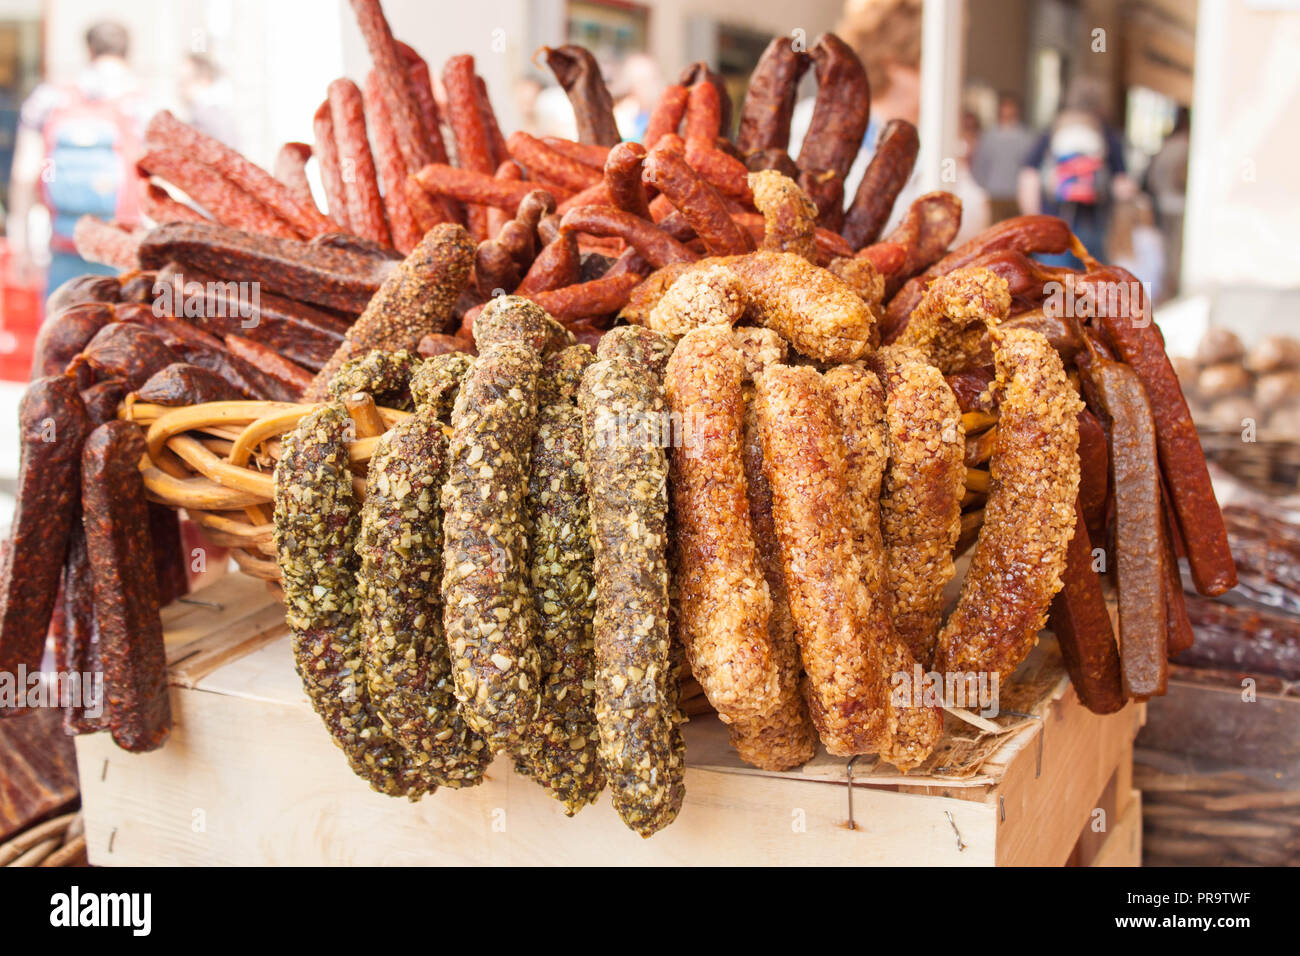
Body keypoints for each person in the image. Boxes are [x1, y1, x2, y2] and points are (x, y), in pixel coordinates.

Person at [790, 0, 989, 241]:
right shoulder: (809, 122)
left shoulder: (936, 135)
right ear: (893, 64)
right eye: (924, 67)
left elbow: (974, 211)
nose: (945, 82)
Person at [6, 21, 150, 295]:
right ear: (128, 53)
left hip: (63, 244)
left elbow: (24, 175)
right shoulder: (140, 105)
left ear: (88, 51)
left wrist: (22, 246)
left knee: (61, 331)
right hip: (122, 250)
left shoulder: (50, 99)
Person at [1017, 76, 1136, 266]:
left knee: (1051, 284)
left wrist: (1033, 219)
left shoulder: (1052, 132)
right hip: (1094, 222)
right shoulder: (1108, 136)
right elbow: (1123, 186)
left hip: (1053, 221)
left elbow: (1029, 177)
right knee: (1091, 285)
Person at [972, 92, 1037, 222]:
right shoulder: (989, 137)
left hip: (1018, 194)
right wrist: (983, 188)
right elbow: (980, 164)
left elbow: (1030, 168)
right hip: (994, 194)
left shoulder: (1026, 138)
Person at [1146, 107, 1190, 297]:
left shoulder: (1167, 146)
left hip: (1164, 202)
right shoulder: (1188, 145)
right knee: (1177, 251)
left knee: (1165, 249)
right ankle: (1173, 288)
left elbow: (1152, 175)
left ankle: (1166, 287)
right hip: (1180, 205)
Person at [179, 53, 239, 150]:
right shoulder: (217, 113)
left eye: (185, 81)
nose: (180, 89)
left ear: (205, 80)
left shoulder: (205, 118)